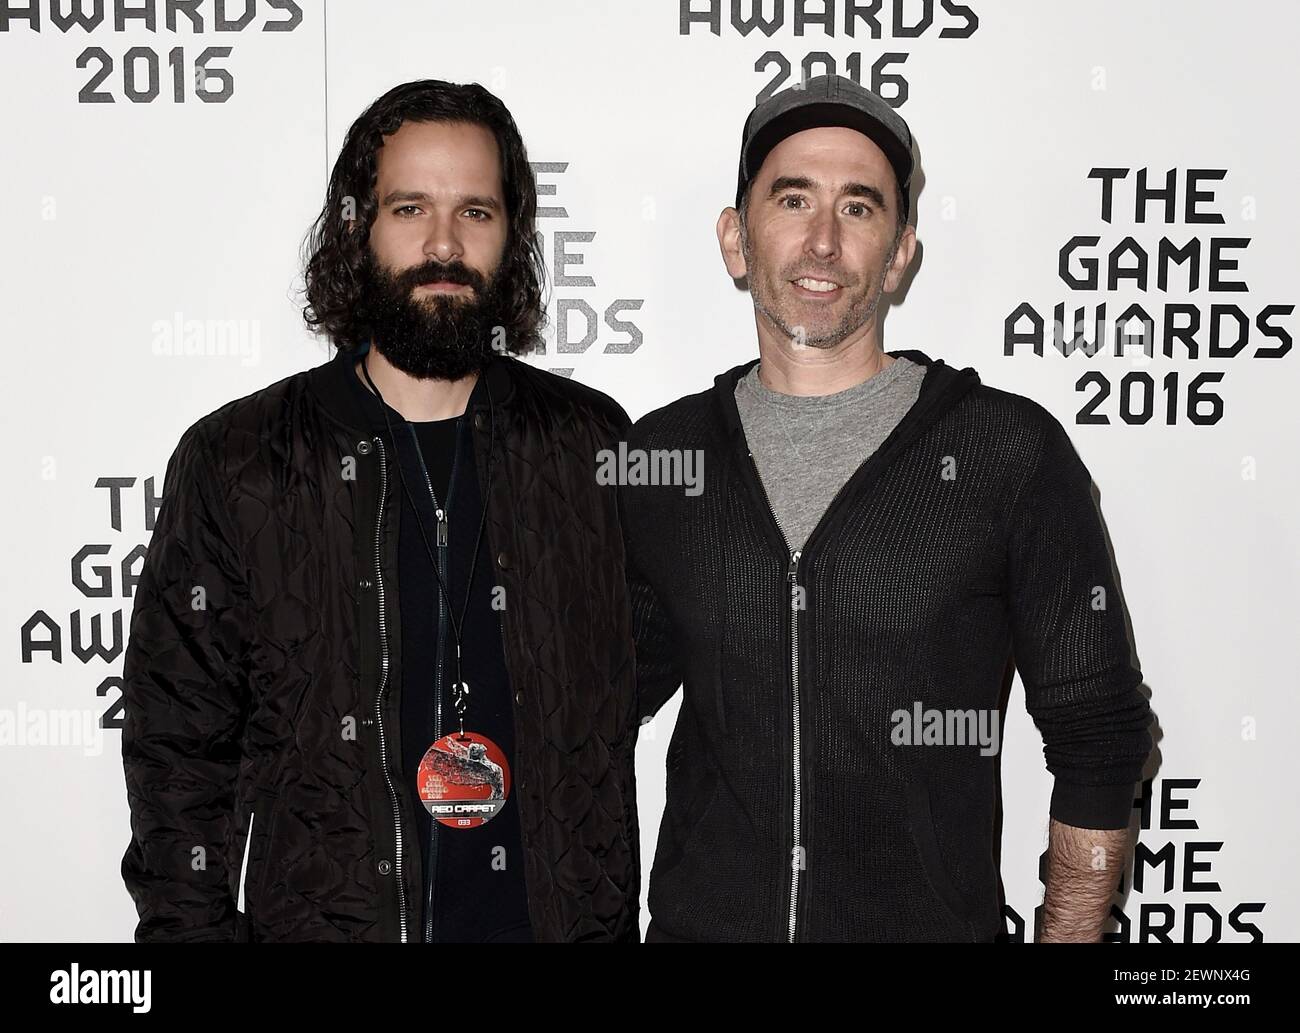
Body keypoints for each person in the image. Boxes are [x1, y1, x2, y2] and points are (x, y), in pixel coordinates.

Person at [620, 74, 1153, 942]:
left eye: (859, 208)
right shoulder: (660, 461)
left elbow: (1100, 736)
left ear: (901, 253)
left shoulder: (1005, 452)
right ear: (735, 239)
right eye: (793, 199)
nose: (823, 240)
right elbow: (592, 708)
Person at [120, 79, 640, 943]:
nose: (444, 244)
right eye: (410, 209)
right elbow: (178, 748)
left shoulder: (588, 447)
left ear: (512, 236)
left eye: (475, 212)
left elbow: (635, 685)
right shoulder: (241, 459)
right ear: (357, 228)